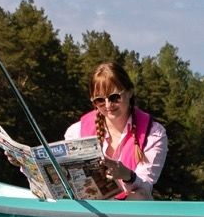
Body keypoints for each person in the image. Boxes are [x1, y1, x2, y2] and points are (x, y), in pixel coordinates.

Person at [65, 61, 168, 200]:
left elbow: (145, 187)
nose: (108, 105)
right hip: (91, 206)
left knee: (139, 196)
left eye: (114, 98)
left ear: (130, 92)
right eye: (100, 100)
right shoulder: (75, 132)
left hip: (129, 208)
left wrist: (128, 176)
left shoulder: (154, 134)